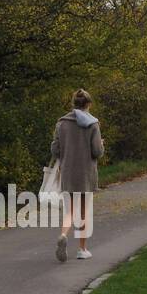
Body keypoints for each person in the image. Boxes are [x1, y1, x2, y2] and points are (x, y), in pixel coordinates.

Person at [51, 88, 104, 262]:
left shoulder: (61, 123)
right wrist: (101, 144)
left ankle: (64, 235)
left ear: (74, 104)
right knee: (84, 211)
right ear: (88, 104)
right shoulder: (93, 124)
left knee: (70, 211)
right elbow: (97, 151)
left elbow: (55, 150)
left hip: (67, 172)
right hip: (86, 173)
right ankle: (82, 249)